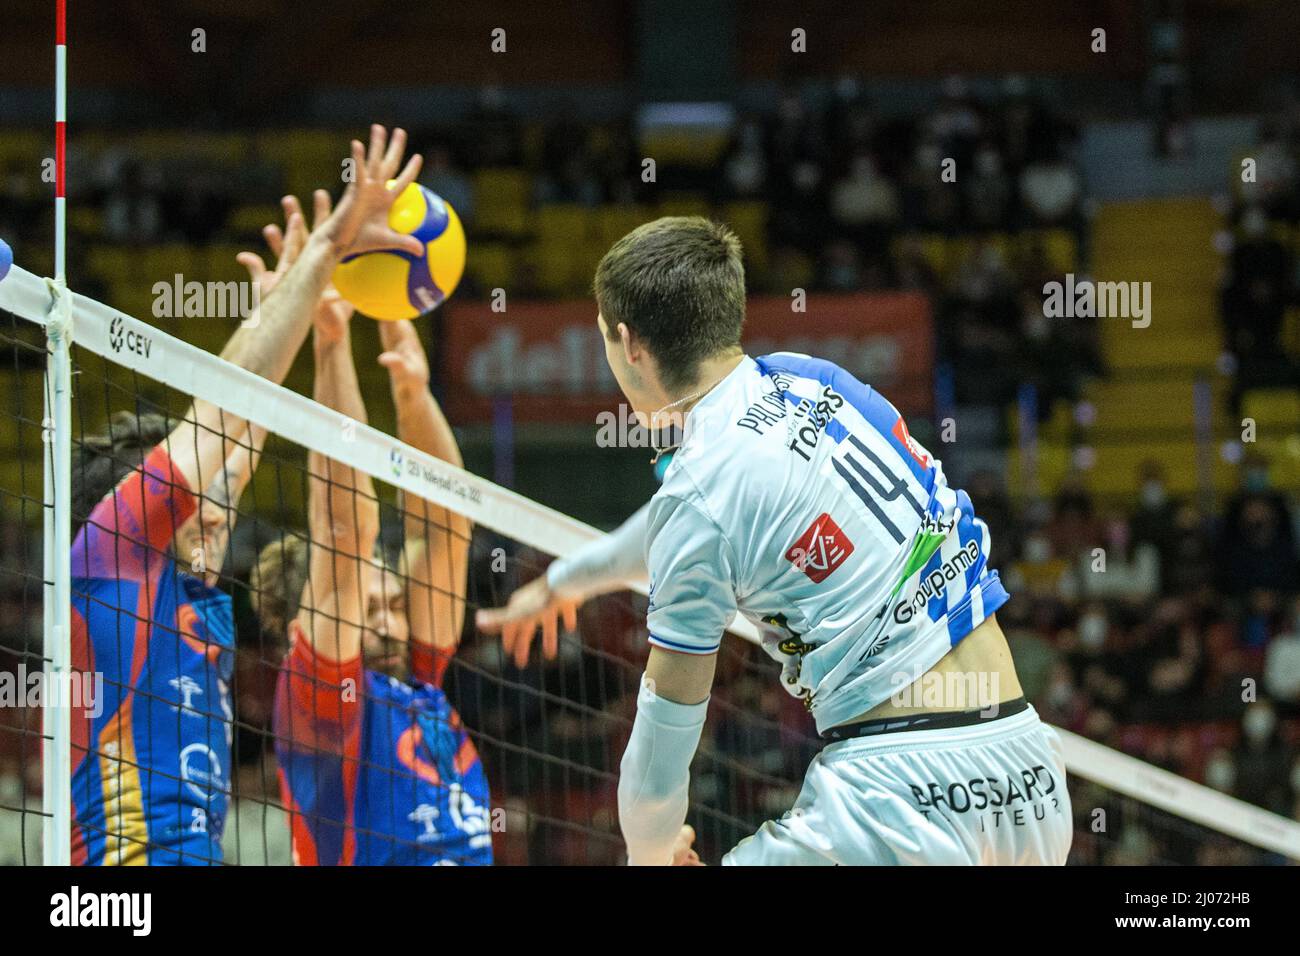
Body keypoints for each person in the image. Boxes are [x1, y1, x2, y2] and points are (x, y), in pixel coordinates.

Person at [478, 216, 1072, 866]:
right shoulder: (812, 381)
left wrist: (647, 855)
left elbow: (662, 743)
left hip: (895, 800)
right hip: (1028, 777)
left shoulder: (701, 495)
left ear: (629, 344)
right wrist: (565, 582)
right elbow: (678, 529)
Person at [68, 126, 424, 865]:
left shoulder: (186, 584)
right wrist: (331, 244)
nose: (223, 497)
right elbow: (221, 416)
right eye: (199, 495)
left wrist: (293, 304)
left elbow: (241, 423)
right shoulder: (110, 555)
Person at [248, 214, 488, 865]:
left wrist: (413, 396)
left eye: (390, 600)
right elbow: (346, 532)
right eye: (370, 605)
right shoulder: (323, 698)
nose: (390, 615)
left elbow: (447, 524)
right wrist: (330, 341)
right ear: (308, 621)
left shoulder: (420, 677)